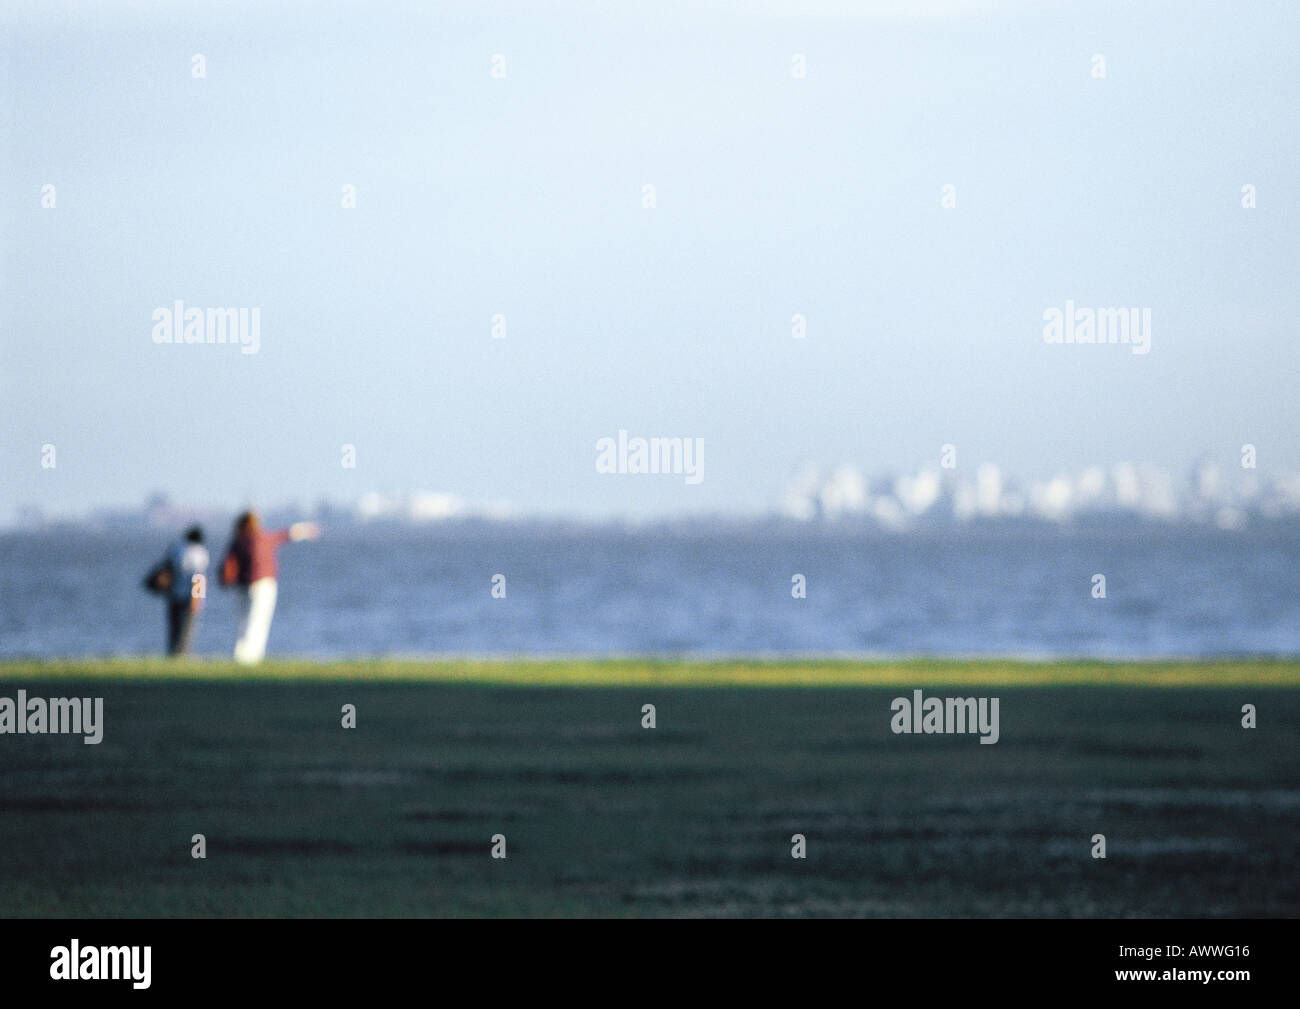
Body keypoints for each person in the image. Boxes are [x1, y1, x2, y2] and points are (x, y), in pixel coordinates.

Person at [220, 511, 320, 664]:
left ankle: (240, 655)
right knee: (257, 622)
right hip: (263, 586)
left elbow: (228, 564)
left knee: (243, 622)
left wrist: (226, 581)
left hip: (241, 587)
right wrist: (307, 529)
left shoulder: (237, 541)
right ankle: (250, 657)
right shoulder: (264, 538)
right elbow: (288, 534)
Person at [148, 526, 210, 656]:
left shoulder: (176, 549)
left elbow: (166, 568)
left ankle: (172, 653)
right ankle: (182, 655)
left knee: (174, 627)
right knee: (187, 630)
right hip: (189, 596)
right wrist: (197, 599)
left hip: (173, 594)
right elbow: (198, 577)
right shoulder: (200, 553)